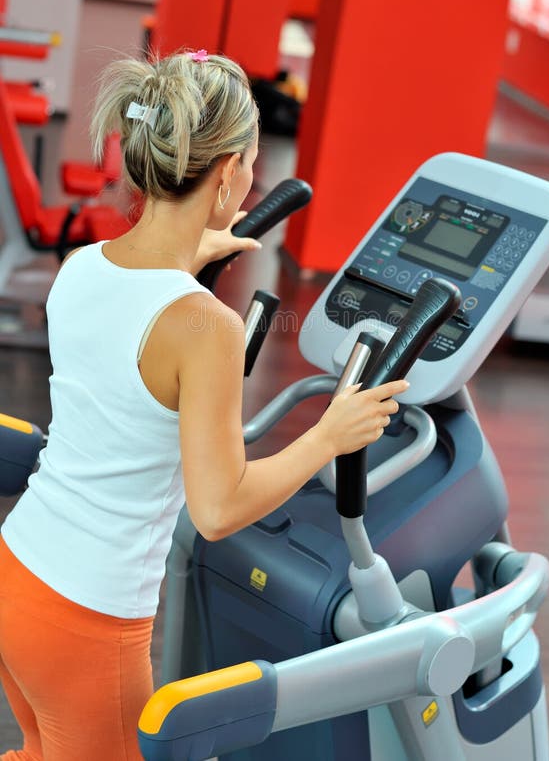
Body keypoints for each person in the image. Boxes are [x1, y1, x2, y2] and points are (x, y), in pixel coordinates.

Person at [0, 50, 408, 761]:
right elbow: (217, 508)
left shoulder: (80, 267)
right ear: (225, 175)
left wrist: (188, 252)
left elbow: (132, 323)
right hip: (88, 620)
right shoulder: (205, 327)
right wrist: (329, 436)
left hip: (20, 572)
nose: (251, 179)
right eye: (249, 164)